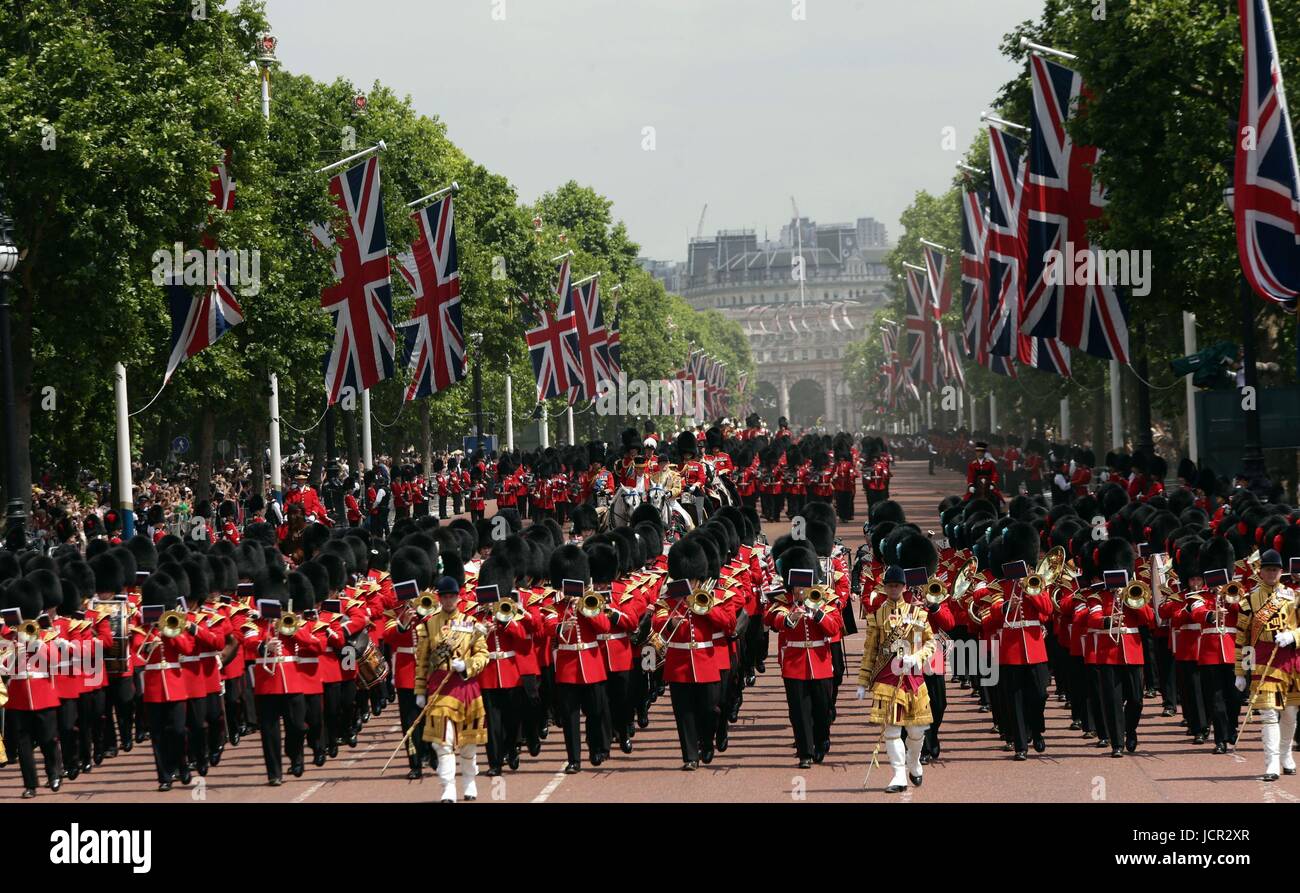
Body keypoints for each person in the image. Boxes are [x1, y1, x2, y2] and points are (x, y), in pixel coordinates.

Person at [858, 561, 934, 793]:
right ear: (885, 588)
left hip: (912, 676)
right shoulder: (876, 616)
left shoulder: (917, 613)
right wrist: (863, 681)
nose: (893, 589)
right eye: (889, 585)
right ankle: (898, 774)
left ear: (903, 587)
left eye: (897, 585)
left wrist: (918, 656)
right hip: (887, 677)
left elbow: (931, 642)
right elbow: (870, 650)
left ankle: (913, 762)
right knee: (891, 730)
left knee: (916, 731)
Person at [414, 573, 489, 803]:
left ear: (458, 597)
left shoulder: (471, 624)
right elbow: (423, 660)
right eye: (444, 596)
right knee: (442, 742)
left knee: (467, 743)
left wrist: (466, 665)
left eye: (452, 596)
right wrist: (419, 691)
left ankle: (469, 782)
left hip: (465, 686)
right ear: (439, 598)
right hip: (439, 688)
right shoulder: (429, 625)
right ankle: (447, 787)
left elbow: (483, 655)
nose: (448, 600)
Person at [1234, 549, 1298, 781]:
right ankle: (1271, 762)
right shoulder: (1249, 599)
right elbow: (1242, 637)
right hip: (1262, 660)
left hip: (1289, 660)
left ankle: (1285, 754)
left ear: (1281, 572)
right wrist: (1240, 671)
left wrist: (1293, 636)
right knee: (1269, 714)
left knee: (1290, 714)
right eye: (1268, 569)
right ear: (1261, 571)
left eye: (1275, 569)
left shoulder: (1293, 596)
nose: (1272, 573)